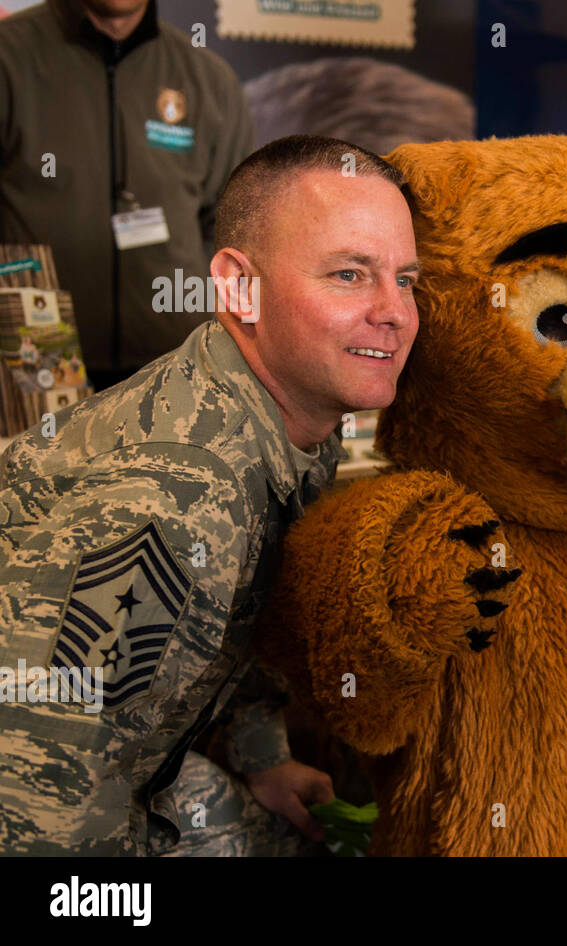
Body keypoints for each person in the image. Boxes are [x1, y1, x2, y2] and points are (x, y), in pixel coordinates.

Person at [0, 134, 420, 855]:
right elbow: (36, 788)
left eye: (406, 279)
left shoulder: (289, 416)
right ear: (238, 288)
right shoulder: (176, 498)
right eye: (350, 275)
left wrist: (262, 760)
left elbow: (248, 613)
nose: (395, 313)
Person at [0, 0, 254, 391]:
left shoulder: (207, 77)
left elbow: (235, 225)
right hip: (36, 364)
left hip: (174, 365)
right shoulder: (10, 54)